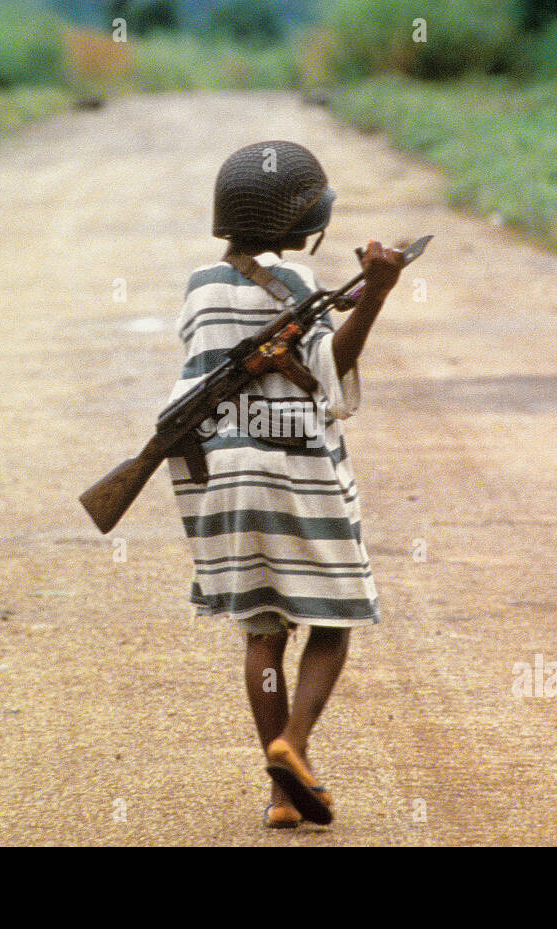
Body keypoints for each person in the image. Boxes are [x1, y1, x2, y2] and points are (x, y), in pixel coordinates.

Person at [165, 140, 404, 828]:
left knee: (263, 630)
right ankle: (292, 744)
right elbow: (331, 371)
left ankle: (279, 797)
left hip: (228, 479)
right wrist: (377, 295)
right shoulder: (296, 288)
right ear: (302, 227)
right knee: (335, 616)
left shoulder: (199, 284)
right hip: (295, 472)